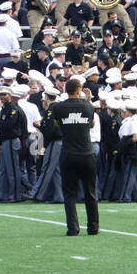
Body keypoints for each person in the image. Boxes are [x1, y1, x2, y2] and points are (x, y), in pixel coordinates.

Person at [48, 77, 99, 234]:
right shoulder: (88, 107)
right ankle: (93, 227)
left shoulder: (58, 107)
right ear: (79, 90)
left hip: (68, 153)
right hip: (87, 153)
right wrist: (88, 100)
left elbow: (57, 125)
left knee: (70, 193)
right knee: (90, 193)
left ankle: (73, 228)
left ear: (66, 90)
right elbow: (91, 124)